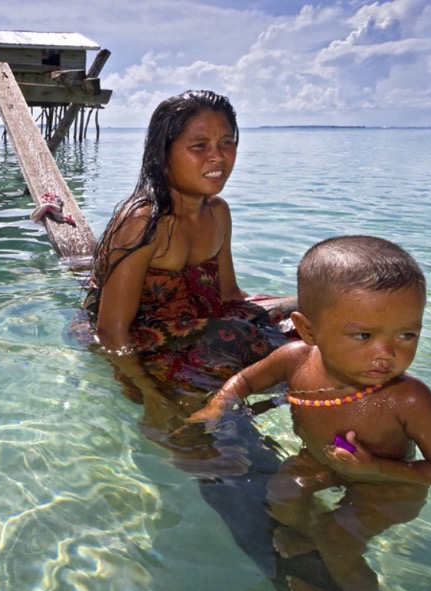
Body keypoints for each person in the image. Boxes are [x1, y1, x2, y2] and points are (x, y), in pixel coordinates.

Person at [186, 234, 431, 591]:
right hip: (325, 460)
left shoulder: (408, 398)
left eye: (407, 335)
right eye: (363, 336)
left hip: (388, 484)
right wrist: (219, 403)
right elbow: (247, 379)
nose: (386, 353)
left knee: (338, 538)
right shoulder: (294, 361)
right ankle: (305, 541)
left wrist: (376, 467)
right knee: (282, 494)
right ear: (307, 330)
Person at [77, 90, 296, 430]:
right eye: (199, 146)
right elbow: (110, 330)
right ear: (162, 156)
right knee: (244, 341)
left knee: (314, 312)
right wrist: (150, 395)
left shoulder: (219, 213)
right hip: (144, 335)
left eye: (226, 142)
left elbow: (229, 295)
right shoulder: (142, 221)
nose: (218, 157)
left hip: (201, 320)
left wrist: (299, 304)